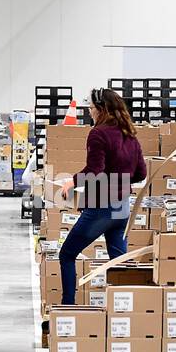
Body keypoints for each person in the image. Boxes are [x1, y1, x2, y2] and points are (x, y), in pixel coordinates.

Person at [58, 88, 147, 305]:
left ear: (101, 109)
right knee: (118, 263)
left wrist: (72, 182)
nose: (89, 113)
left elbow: (94, 170)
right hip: (122, 210)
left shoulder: (98, 134)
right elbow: (141, 173)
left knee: (67, 255)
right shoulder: (130, 136)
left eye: (90, 108)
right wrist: (118, 180)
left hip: (101, 209)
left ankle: (68, 305)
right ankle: (125, 308)